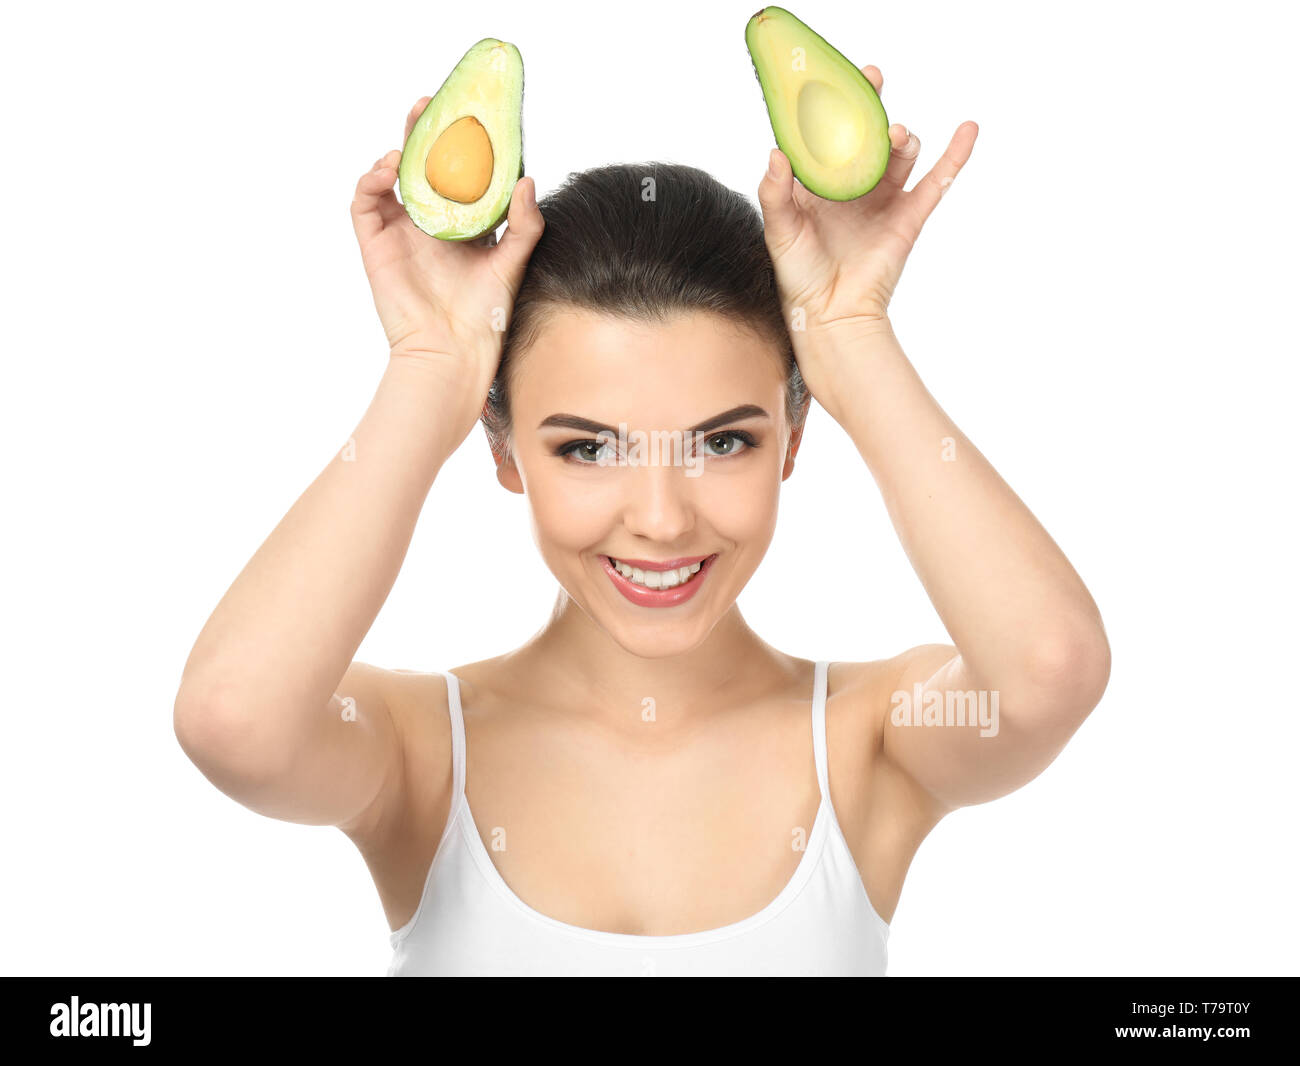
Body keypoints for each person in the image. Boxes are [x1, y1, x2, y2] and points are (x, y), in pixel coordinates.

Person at [174, 66, 1110, 976]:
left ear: (791, 440)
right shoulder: (421, 752)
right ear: (504, 450)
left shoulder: (869, 741)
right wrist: (431, 363)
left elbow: (1047, 669)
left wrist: (849, 335)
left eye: (724, 442)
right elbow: (233, 719)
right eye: (587, 448)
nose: (661, 520)